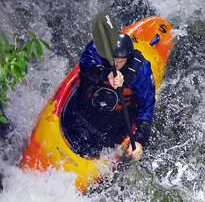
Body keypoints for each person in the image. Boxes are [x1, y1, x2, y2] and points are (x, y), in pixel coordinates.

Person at [65, 27, 155, 160]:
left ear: (128, 58)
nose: (116, 65)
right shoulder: (98, 50)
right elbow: (85, 64)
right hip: (86, 108)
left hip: (116, 120)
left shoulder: (141, 71)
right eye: (114, 60)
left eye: (120, 61)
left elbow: (147, 109)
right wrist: (105, 73)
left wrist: (139, 140)